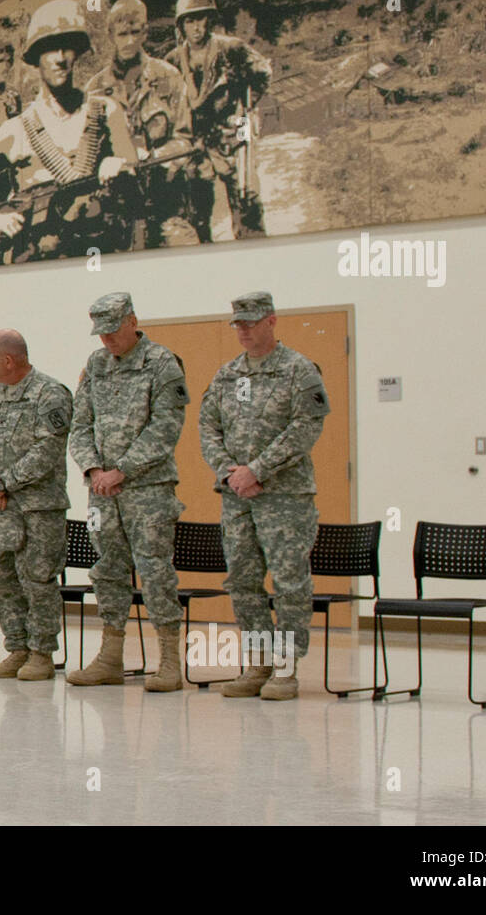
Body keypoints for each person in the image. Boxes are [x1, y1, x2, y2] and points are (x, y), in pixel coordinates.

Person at [198, 292, 329, 700]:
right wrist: (230, 473)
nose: (243, 330)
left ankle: (286, 670)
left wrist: (258, 469)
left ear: (272, 321)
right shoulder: (227, 375)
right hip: (237, 498)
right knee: (242, 580)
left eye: (251, 323)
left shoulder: (298, 370)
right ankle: (257, 664)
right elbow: (208, 428)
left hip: (285, 497)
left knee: (289, 582)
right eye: (238, 324)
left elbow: (305, 428)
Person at [0, 0, 138, 263]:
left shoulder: (106, 112)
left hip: (97, 249)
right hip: (40, 257)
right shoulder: (18, 129)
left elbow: (135, 177)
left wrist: (119, 164)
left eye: (68, 47)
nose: (60, 58)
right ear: (36, 58)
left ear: (78, 53)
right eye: (50, 49)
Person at [67, 292, 189, 691]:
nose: (106, 340)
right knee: (107, 570)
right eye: (99, 332)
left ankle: (169, 660)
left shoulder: (162, 364)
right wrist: (93, 468)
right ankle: (110, 657)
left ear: (132, 320)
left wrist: (123, 469)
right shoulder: (96, 365)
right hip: (102, 491)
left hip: (147, 489)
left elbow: (166, 428)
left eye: (113, 330)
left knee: (155, 571)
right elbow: (80, 424)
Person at [0, 329, 73, 680]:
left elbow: (47, 451)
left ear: (8, 360)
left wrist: (3, 483)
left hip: (37, 510)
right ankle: (17, 648)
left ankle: (41, 654)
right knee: (4, 581)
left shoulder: (49, 394)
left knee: (38, 582)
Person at [85, 0, 197, 249]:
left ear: (145, 32)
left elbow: (185, 140)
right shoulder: (95, 90)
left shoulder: (168, 77)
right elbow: (86, 154)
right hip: (116, 208)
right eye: (123, 34)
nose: (130, 41)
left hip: (166, 203)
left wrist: (152, 156)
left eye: (136, 32)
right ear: (111, 34)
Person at [164, 0, 271, 242]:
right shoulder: (173, 59)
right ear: (182, 25)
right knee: (197, 212)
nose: (197, 27)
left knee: (246, 201)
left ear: (209, 20)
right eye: (190, 20)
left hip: (232, 135)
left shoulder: (230, 48)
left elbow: (263, 72)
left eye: (201, 19)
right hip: (196, 143)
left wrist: (247, 108)